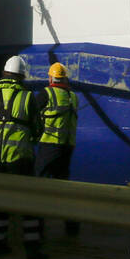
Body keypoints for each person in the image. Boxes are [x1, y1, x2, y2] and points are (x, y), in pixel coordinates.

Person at [0, 55, 47, 259]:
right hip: (20, 158)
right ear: (22, 76)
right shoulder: (27, 97)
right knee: (29, 204)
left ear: (4, 73)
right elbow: (38, 129)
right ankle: (32, 251)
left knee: (0, 202)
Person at [36, 62, 80, 236]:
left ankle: (37, 225)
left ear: (50, 78)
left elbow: (32, 111)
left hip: (49, 145)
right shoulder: (73, 96)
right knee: (63, 187)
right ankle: (71, 226)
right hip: (67, 147)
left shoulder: (47, 93)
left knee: (38, 186)